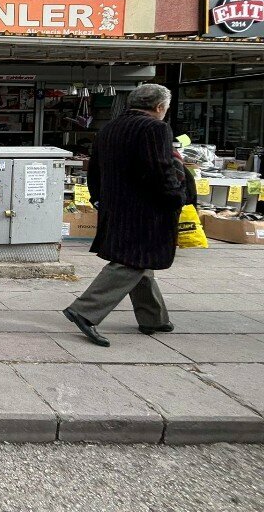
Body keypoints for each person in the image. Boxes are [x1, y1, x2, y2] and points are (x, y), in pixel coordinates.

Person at [63, 84, 193, 347]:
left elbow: (94, 168)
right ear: (159, 107)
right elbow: (160, 169)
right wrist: (177, 197)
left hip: (116, 206)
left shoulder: (110, 128)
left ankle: (153, 317)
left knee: (140, 260)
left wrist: (98, 198)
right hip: (146, 209)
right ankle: (85, 311)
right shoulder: (155, 128)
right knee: (131, 262)